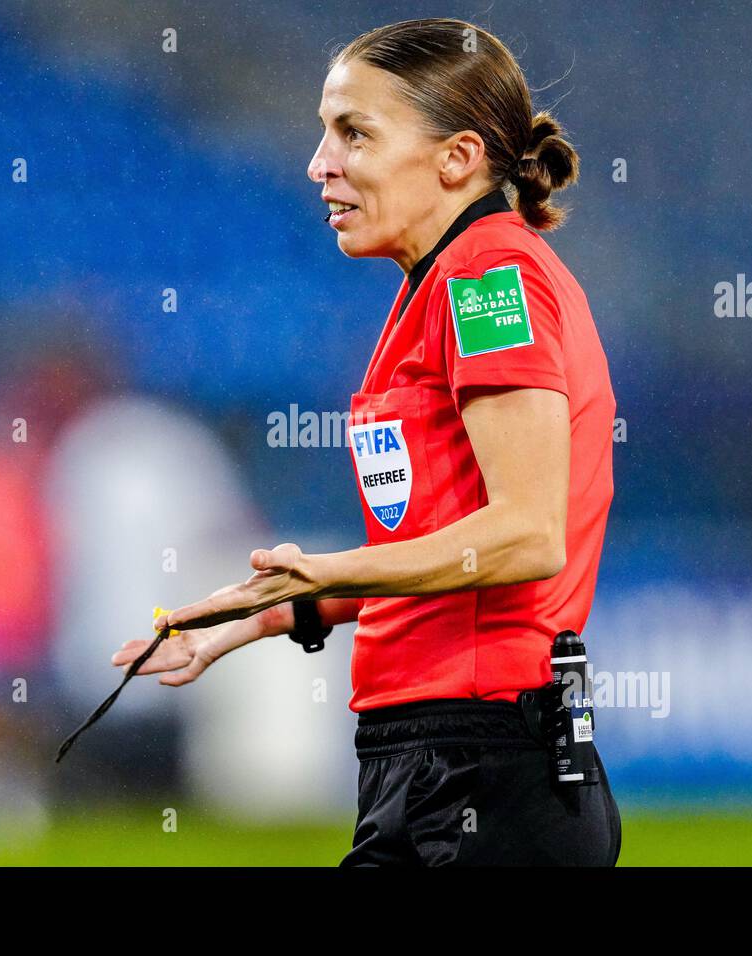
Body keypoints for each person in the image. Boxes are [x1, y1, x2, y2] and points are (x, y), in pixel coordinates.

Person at [113, 18, 620, 866]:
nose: (320, 163)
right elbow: (443, 548)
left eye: (353, 132)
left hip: (484, 767)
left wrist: (331, 568)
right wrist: (277, 611)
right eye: (323, 132)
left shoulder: (488, 279)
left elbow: (528, 535)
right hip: (434, 760)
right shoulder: (438, 284)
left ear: (455, 158)